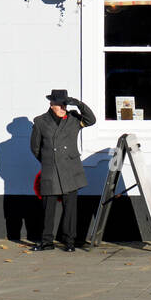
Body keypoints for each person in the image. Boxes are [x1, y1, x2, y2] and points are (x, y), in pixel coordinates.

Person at [29, 88, 96, 252]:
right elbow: (35, 148)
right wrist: (48, 161)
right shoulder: (40, 121)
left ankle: (69, 241)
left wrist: (79, 104)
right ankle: (46, 241)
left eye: (65, 104)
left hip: (70, 169)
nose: (64, 108)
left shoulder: (74, 119)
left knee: (70, 208)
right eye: (60, 105)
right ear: (52, 104)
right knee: (48, 208)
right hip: (51, 169)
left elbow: (91, 120)